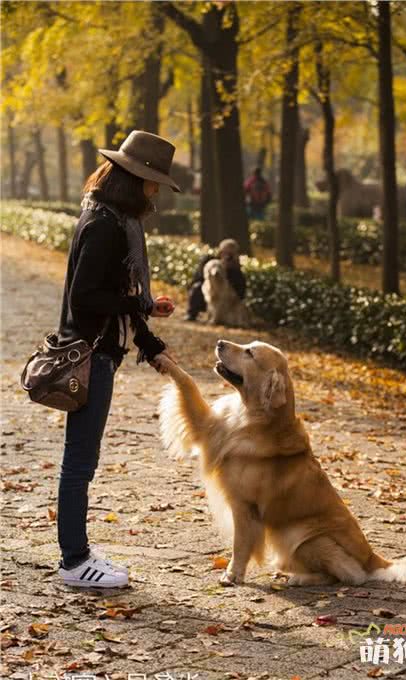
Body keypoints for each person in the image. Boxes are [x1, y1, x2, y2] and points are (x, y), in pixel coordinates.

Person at [56, 130, 180, 588]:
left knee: (83, 457)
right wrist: (142, 308)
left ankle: (79, 550)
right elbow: (86, 297)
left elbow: (119, 294)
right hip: (90, 354)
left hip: (102, 349)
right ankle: (73, 562)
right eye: (151, 183)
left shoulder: (113, 220)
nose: (154, 192)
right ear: (133, 180)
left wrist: (148, 342)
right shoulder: (105, 225)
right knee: (79, 460)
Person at [185, 239, 246, 322]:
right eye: (225, 253)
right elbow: (198, 278)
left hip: (223, 304)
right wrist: (216, 270)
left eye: (231, 254)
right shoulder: (208, 260)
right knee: (197, 287)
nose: (227, 257)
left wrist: (231, 271)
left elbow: (241, 294)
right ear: (220, 251)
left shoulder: (236, 269)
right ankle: (191, 314)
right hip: (205, 296)